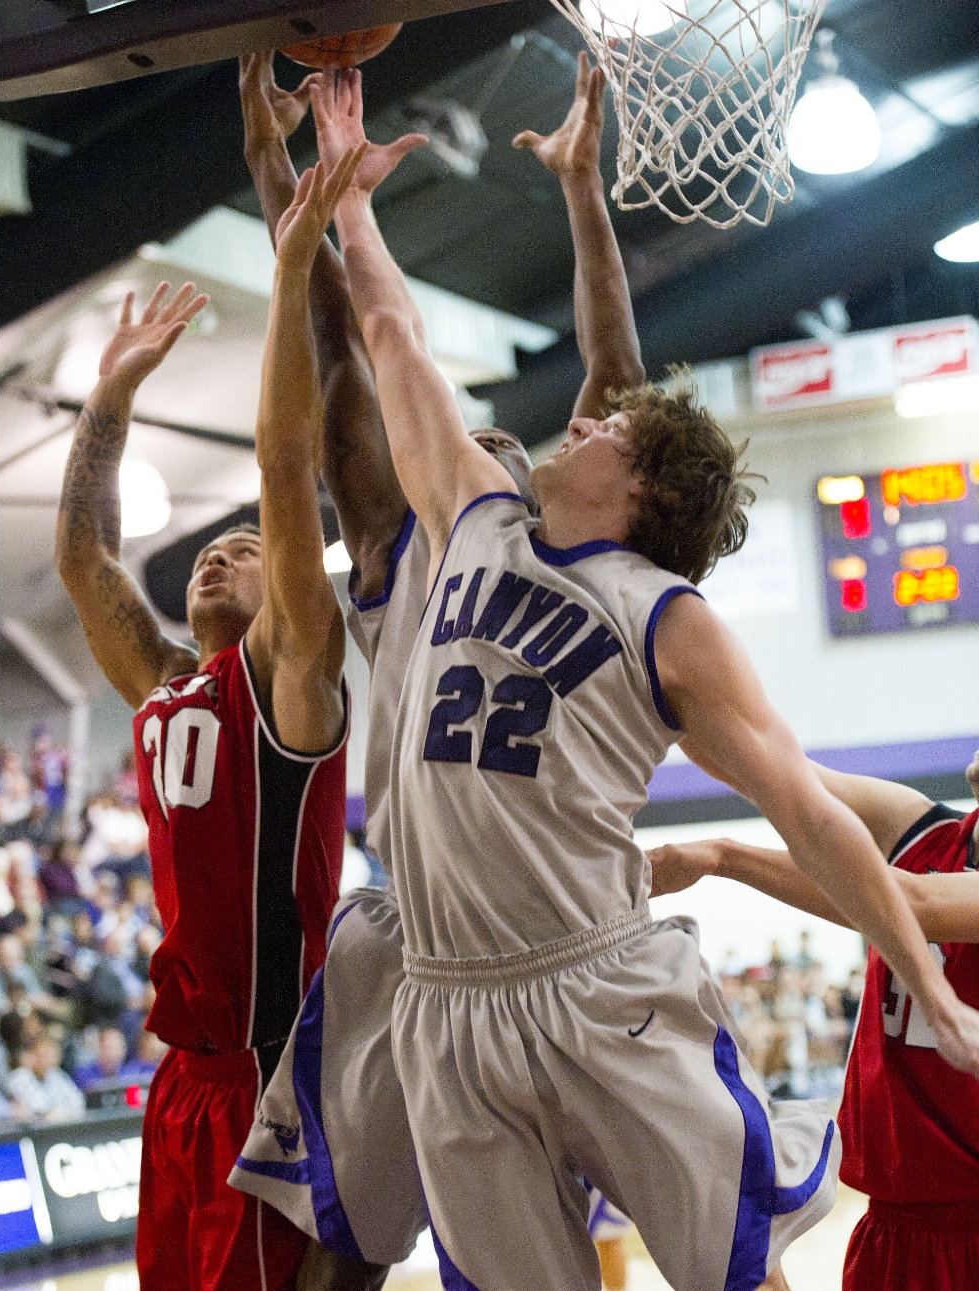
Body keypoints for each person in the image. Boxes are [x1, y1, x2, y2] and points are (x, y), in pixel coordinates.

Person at [311, 64, 979, 1291]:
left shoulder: (665, 619)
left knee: (730, 1268)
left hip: (595, 979)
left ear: (643, 494)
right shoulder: (476, 514)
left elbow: (812, 810)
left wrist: (926, 976)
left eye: (608, 433)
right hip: (447, 998)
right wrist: (350, 206)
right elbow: (394, 340)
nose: (583, 421)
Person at [230, 50, 642, 1283]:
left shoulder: (592, 550)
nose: (481, 442)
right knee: (340, 1251)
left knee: (669, 1234)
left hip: (576, 934)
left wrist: (583, 195)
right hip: (419, 934)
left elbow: (622, 386)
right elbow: (343, 359)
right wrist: (283, 174)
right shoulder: (401, 530)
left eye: (504, 439)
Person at [55, 145, 365, 1290]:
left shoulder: (288, 682)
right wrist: (111, 395)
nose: (219, 553)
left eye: (242, 553)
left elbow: (286, 475)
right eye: (203, 551)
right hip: (183, 1080)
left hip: (273, 1070)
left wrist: (289, 275)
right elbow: (84, 558)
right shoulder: (166, 686)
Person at [648, 755, 979, 1291]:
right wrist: (654, 700)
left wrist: (723, 855)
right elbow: (767, 763)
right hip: (892, 1225)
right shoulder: (927, 831)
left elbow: (909, 903)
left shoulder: (920, 879)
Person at [7, 1032, 85, 1122]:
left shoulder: (56, 1075)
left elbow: (77, 1103)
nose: (46, 1060)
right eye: (42, 1055)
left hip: (62, 1128)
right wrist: (61, 1115)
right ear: (31, 1055)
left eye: (51, 1055)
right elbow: (42, 1110)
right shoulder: (19, 1077)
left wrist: (61, 1115)